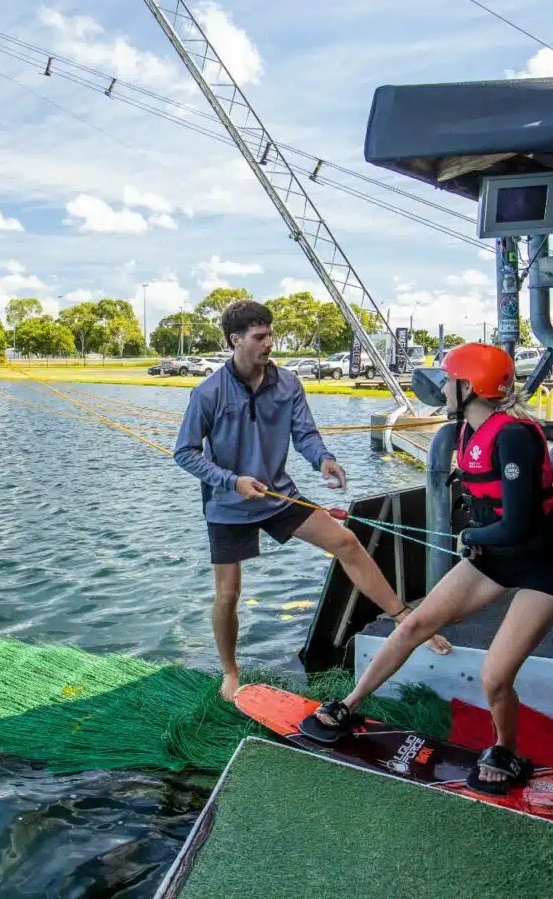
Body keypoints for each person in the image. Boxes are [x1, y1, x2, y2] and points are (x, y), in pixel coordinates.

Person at [296, 342, 553, 796]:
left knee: (494, 676)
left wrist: (470, 538)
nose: (444, 388)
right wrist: (478, 541)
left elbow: (520, 525)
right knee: (413, 624)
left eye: (450, 380)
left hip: (542, 569)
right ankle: (350, 705)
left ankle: (506, 749)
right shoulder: (466, 431)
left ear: (469, 386)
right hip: (494, 560)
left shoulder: (514, 436)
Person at [173, 300, 450, 701]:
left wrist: (324, 459)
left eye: (271, 334)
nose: (270, 343)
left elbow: (304, 434)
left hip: (278, 495)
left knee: (346, 542)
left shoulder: (288, 383)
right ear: (235, 340)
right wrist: (232, 482)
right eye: (260, 336)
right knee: (228, 594)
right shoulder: (207, 393)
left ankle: (402, 618)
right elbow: (185, 453)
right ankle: (230, 672)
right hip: (228, 506)